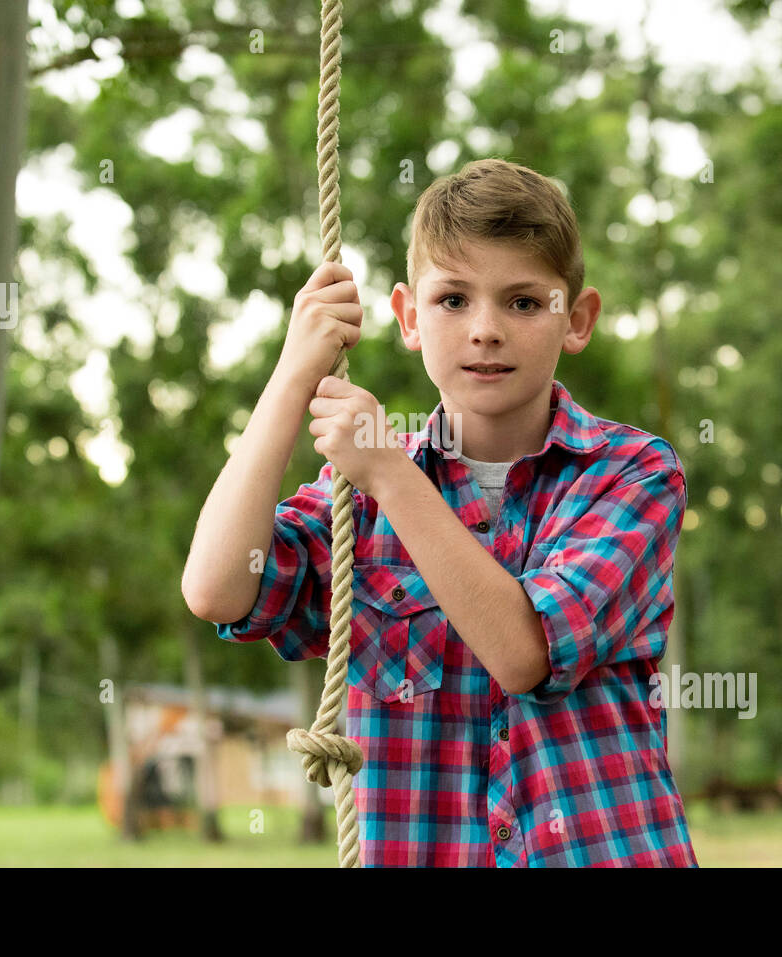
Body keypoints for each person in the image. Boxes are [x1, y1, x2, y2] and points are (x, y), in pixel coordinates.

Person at [182, 157, 697, 867]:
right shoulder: (355, 495)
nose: (485, 329)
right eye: (453, 299)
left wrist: (391, 476)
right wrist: (292, 374)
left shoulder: (632, 474)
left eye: (522, 302)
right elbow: (217, 587)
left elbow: (524, 654)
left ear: (576, 320)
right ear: (407, 317)